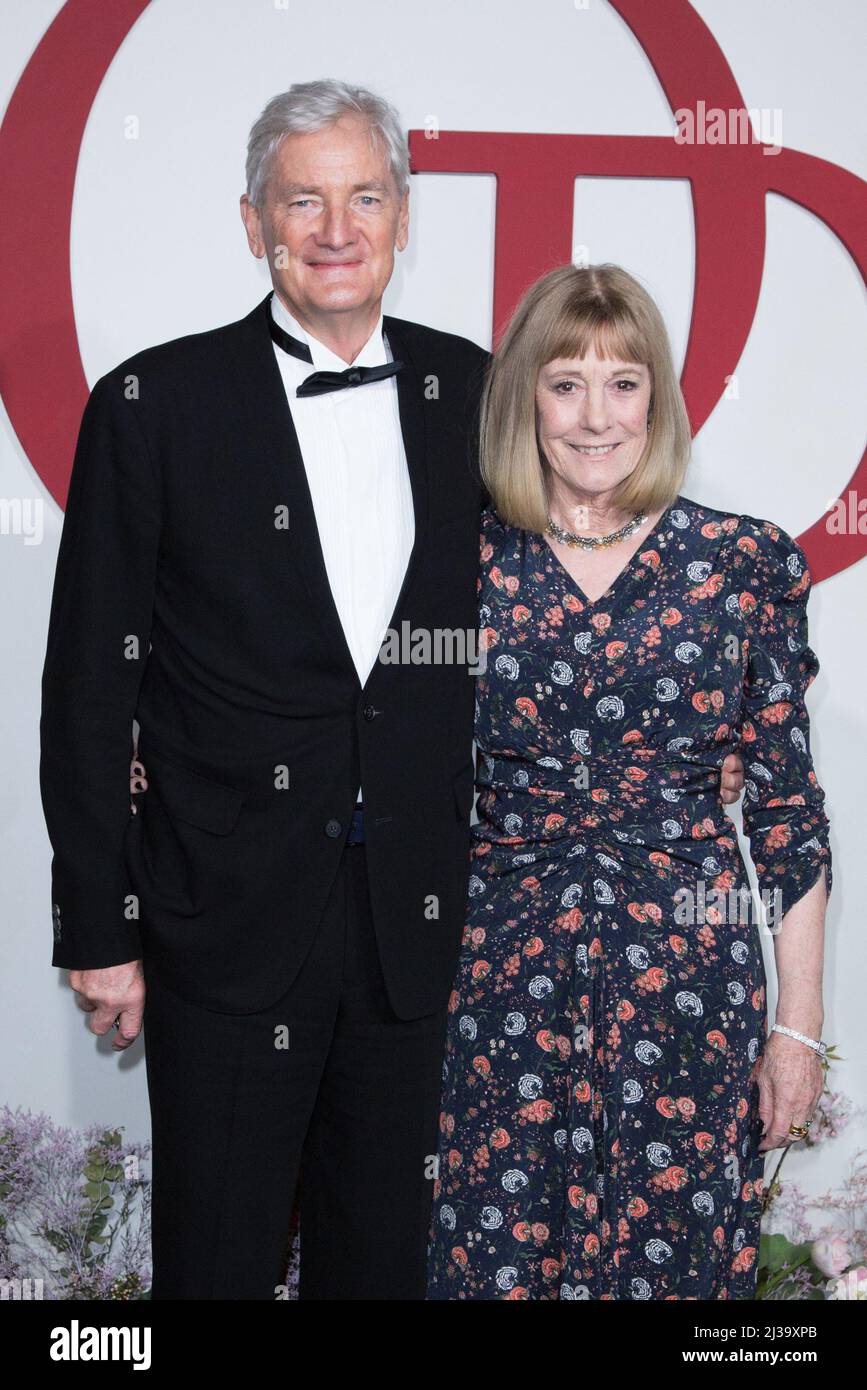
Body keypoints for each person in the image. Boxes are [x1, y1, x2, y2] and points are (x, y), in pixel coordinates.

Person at [41, 79, 745, 1301]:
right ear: (251, 221)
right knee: (214, 1261)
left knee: (387, 1266)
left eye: (365, 196)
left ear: (405, 219)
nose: (334, 228)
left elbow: (581, 561)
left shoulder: (476, 394)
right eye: (301, 199)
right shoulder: (154, 407)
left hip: (425, 924)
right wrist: (99, 929)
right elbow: (89, 690)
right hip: (224, 915)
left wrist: (694, 728)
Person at [426, 263, 832, 1301]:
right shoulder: (457, 564)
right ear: (525, 397)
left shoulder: (739, 565)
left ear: (660, 397)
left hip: (687, 975)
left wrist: (796, 1029)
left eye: (623, 382)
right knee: (493, 1259)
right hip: (495, 978)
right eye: (566, 383)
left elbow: (788, 814)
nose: (595, 416)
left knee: (680, 1276)